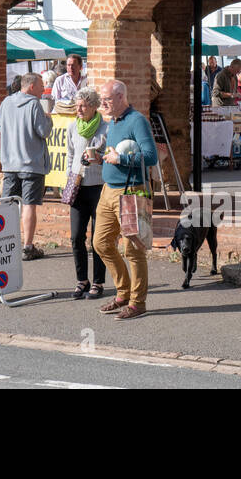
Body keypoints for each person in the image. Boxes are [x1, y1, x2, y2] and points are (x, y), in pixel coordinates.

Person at [92, 79, 157, 321]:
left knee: (133, 249)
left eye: (107, 100)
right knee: (101, 243)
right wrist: (99, 157)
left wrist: (121, 159)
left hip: (130, 191)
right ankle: (123, 292)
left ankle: (137, 302)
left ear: (121, 97)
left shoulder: (136, 120)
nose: (103, 104)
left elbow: (150, 157)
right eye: (102, 100)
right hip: (108, 190)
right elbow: (114, 153)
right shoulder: (114, 122)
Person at [0, 71, 53, 260]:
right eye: (40, 86)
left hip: (9, 161)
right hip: (31, 163)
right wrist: (48, 118)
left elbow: (0, 126)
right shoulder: (34, 104)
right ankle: (28, 247)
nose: (42, 89)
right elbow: (43, 131)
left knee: (8, 205)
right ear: (31, 86)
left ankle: (4, 242)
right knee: (29, 205)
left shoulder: (6, 102)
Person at [65, 87, 108, 300]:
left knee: (97, 239)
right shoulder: (72, 127)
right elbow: (70, 154)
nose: (78, 109)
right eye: (77, 104)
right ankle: (82, 279)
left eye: (83, 105)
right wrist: (68, 180)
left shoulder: (105, 129)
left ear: (93, 106)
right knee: (76, 237)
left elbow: (109, 157)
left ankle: (98, 281)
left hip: (98, 186)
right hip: (78, 186)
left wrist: (99, 158)